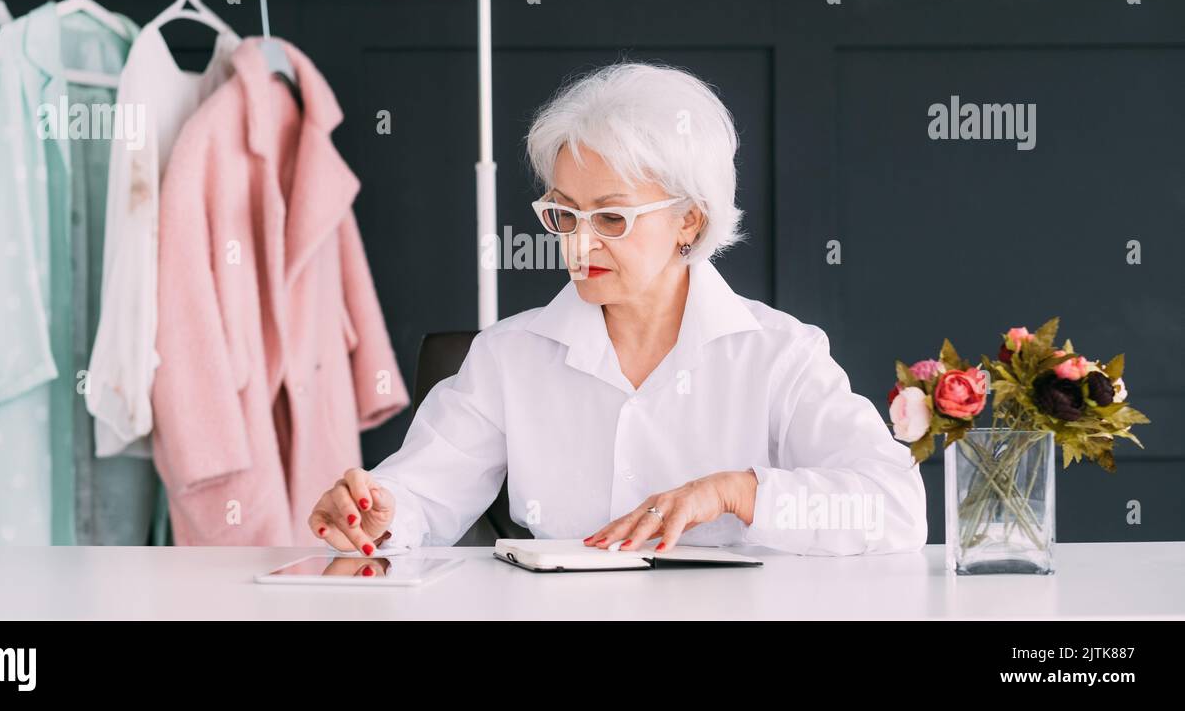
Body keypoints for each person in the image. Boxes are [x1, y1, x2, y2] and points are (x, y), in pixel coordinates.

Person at [308, 61, 927, 557]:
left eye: (611, 217)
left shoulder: (778, 353)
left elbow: (895, 507)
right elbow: (419, 496)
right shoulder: (507, 358)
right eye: (563, 214)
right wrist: (378, 512)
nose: (579, 244)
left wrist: (736, 492)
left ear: (690, 218)